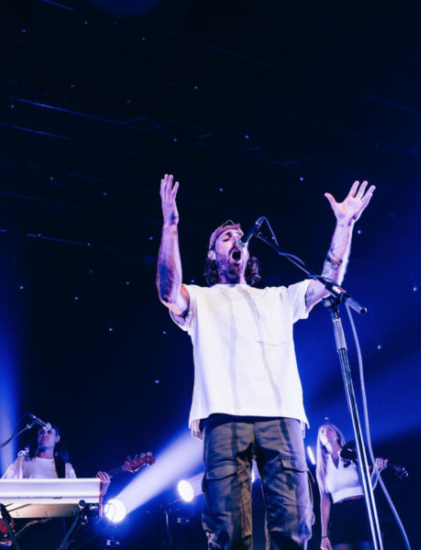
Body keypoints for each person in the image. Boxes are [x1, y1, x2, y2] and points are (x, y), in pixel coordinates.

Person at [157, 174, 375, 550]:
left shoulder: (278, 297)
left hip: (282, 415)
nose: (235, 238)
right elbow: (167, 290)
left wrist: (344, 225)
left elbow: (328, 282)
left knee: (294, 527)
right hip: (223, 416)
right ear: (212, 255)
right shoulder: (201, 299)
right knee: (226, 531)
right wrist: (171, 224)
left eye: (239, 235)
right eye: (225, 237)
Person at [0, 424, 111, 549]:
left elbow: (78, 500)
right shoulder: (23, 460)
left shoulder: (64, 467)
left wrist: (102, 491)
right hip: (24, 528)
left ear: (57, 438)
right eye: (41, 432)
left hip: (53, 528)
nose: (44, 434)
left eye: (49, 432)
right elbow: (1, 489)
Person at [315, 423, 387, 550]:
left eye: (329, 429)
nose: (325, 432)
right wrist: (324, 535)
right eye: (321, 431)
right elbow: (325, 502)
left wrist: (376, 472)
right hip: (339, 515)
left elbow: (367, 488)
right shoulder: (322, 467)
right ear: (320, 440)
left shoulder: (353, 456)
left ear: (337, 435)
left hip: (361, 509)